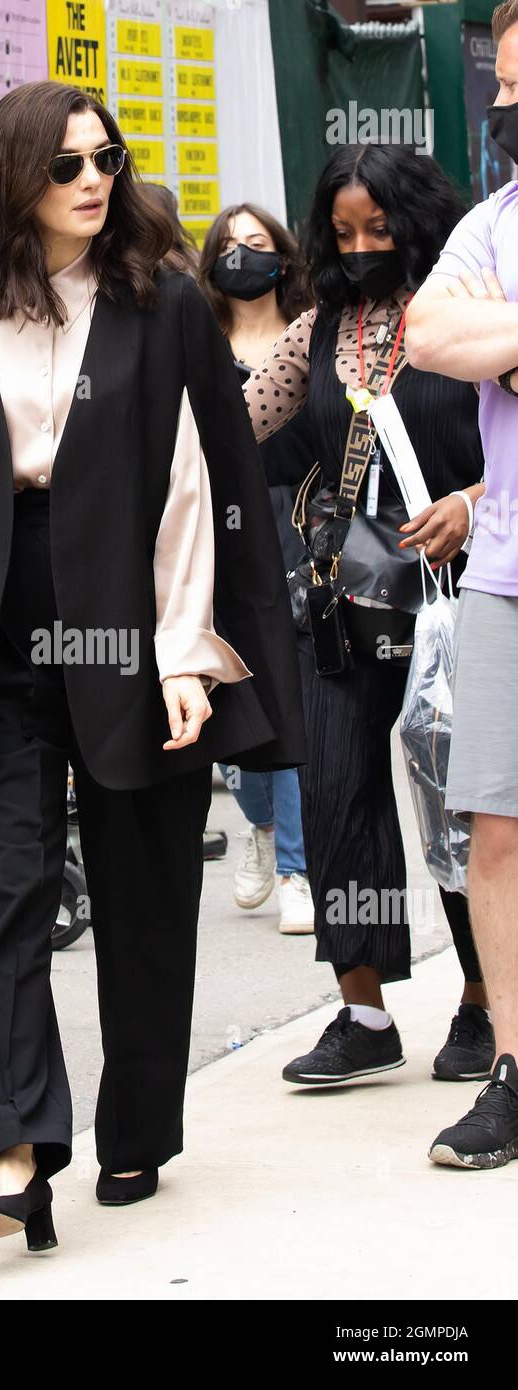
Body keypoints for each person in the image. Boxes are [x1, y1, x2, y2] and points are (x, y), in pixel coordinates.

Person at [0, 80, 306, 1249]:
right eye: (66, 165)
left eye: (107, 159)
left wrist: (189, 652)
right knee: (6, 890)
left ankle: (135, 1127)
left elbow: (198, 488)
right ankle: (15, 1153)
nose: (93, 180)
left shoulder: (167, 307)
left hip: (135, 624)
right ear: (16, 178)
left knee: (147, 898)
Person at [242, 144, 492, 1088]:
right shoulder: (313, 335)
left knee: (460, 799)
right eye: (342, 233)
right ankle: (362, 1009)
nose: (359, 248)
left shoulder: (469, 325)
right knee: (339, 792)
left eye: (378, 230)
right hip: (340, 599)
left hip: (463, 589)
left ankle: (482, 998)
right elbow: (235, 423)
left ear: (418, 221)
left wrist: (469, 499)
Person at [406, 0, 518, 1168]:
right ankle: (512, 1068)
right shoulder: (489, 222)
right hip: (504, 579)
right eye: (498, 91)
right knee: (497, 830)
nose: (502, 111)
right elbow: (431, 335)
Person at [199, 203, 315, 934]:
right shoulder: (199, 341)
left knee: (295, 694)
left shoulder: (310, 334)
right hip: (219, 529)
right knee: (233, 686)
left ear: (283, 256)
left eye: (258, 244)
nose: (244, 256)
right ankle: (262, 829)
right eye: (231, 245)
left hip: (298, 523)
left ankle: (301, 870)